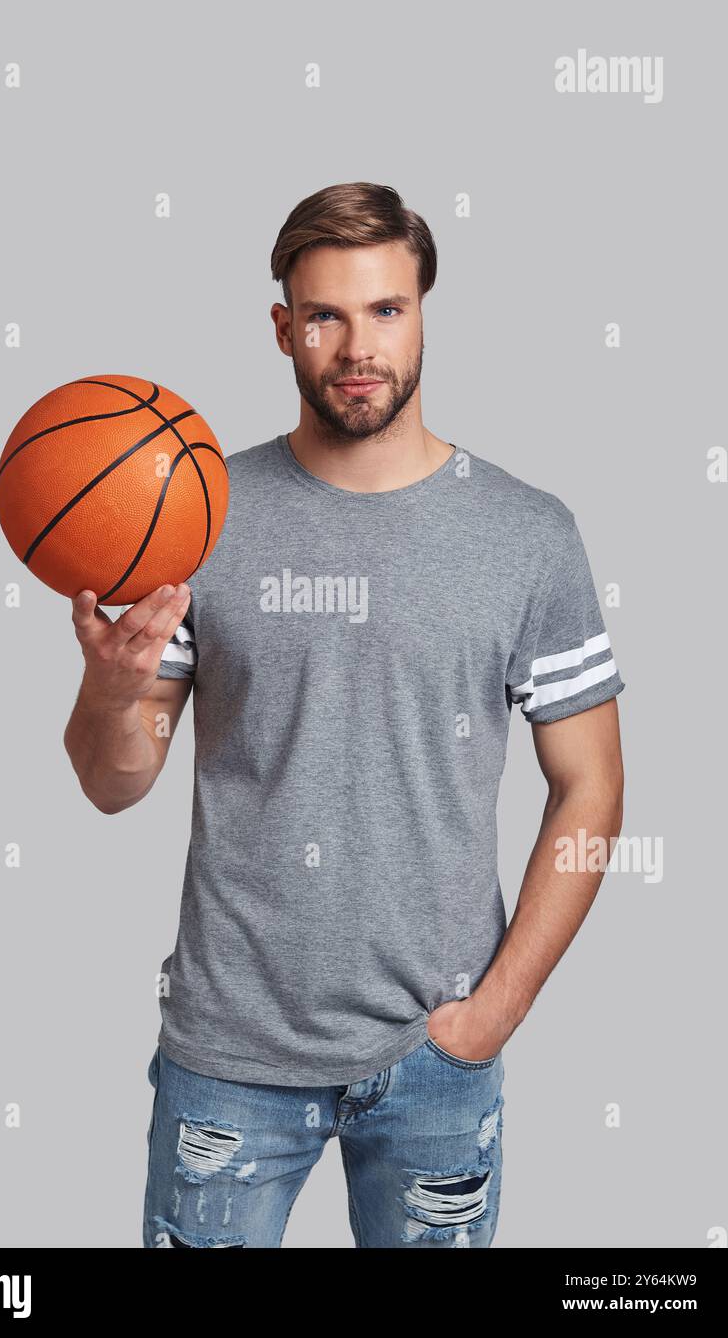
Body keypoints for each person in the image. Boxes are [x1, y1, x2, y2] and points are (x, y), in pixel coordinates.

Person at [63, 182, 625, 1249]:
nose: (356, 346)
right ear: (283, 328)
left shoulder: (528, 533)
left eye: (385, 311)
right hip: (229, 1055)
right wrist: (106, 685)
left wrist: (495, 1012)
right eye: (324, 315)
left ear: (422, 313)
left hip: (435, 1058)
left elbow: (591, 786)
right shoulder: (196, 518)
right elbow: (112, 780)